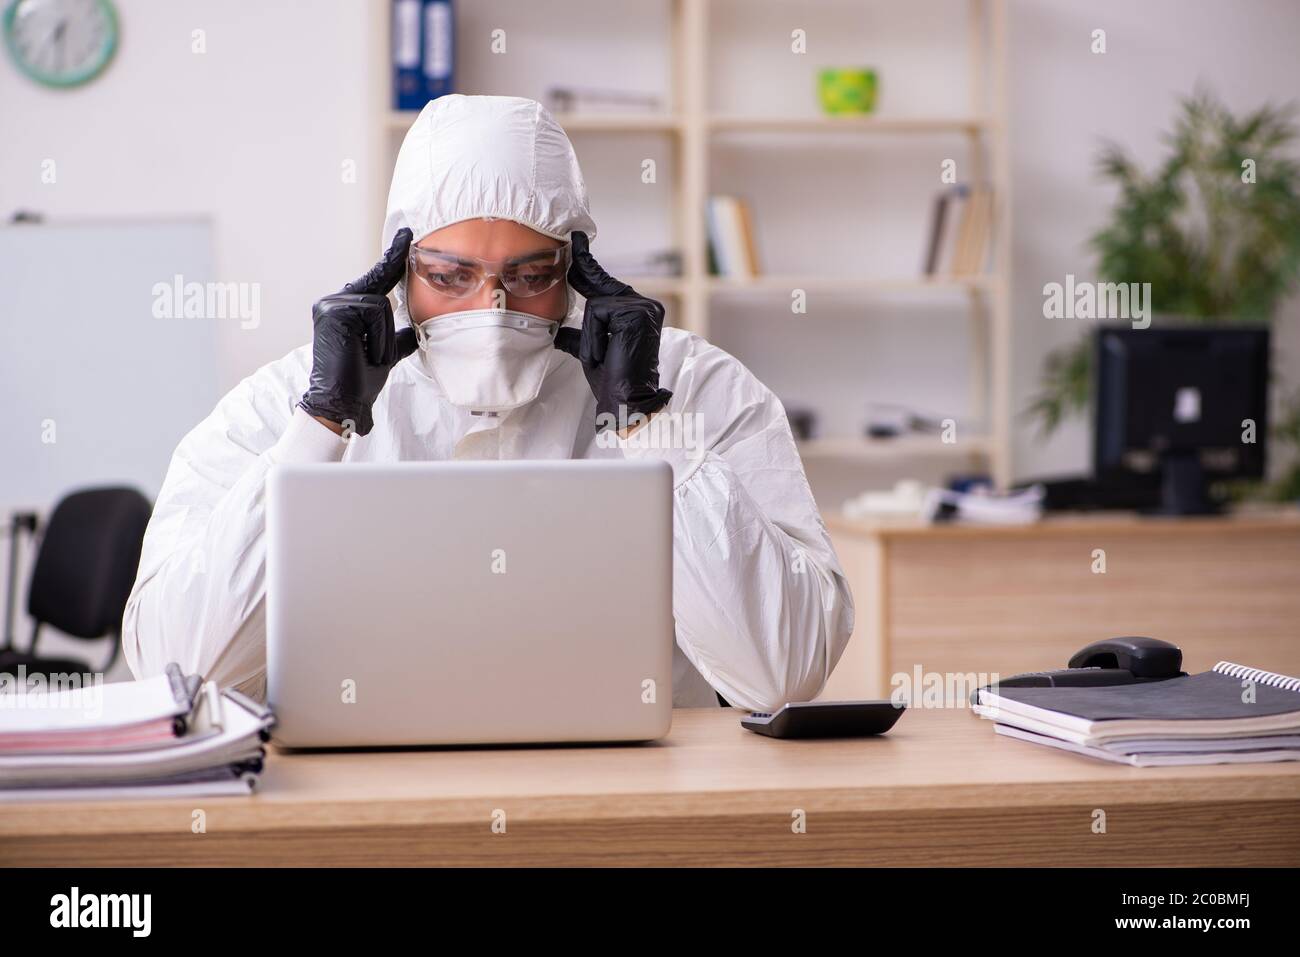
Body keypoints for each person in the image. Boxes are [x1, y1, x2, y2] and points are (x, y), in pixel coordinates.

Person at [122, 94, 853, 712]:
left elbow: (781, 673)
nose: (492, 308)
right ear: (397, 272)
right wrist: (320, 429)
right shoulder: (285, 403)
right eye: (450, 276)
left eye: (532, 275)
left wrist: (649, 423)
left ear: (581, 271)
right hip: (367, 807)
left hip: (639, 805)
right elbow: (183, 671)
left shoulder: (697, 387)